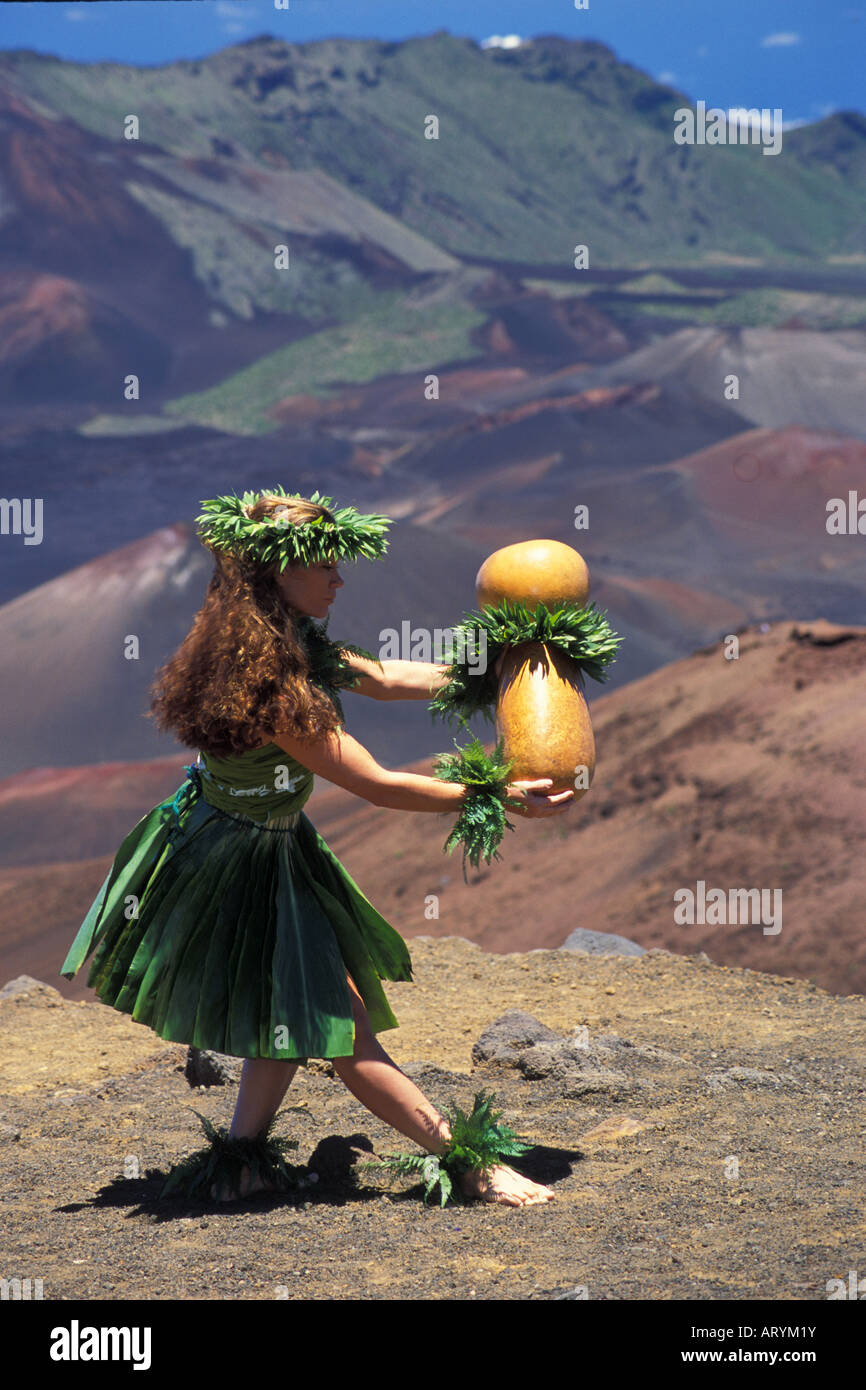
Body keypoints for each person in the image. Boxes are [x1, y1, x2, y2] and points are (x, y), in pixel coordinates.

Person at [60, 489, 573, 1208]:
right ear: (277, 576)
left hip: (265, 844)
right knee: (344, 1028)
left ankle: (241, 1161)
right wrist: (493, 794)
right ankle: (472, 1166)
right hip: (237, 862)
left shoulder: (286, 638)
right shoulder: (270, 682)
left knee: (289, 1007)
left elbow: (392, 678)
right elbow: (377, 784)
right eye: (326, 567)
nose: (339, 580)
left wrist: (504, 665)